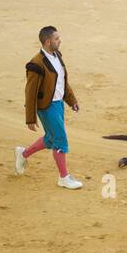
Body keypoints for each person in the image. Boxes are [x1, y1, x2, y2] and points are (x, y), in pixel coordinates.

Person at [16, 26, 83, 190]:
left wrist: (71, 100)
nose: (59, 41)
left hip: (58, 103)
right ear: (47, 42)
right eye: (56, 39)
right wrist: (30, 118)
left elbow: (62, 82)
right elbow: (30, 93)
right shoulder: (36, 64)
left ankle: (23, 154)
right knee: (60, 139)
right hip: (46, 107)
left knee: (51, 139)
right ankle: (64, 177)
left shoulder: (57, 56)